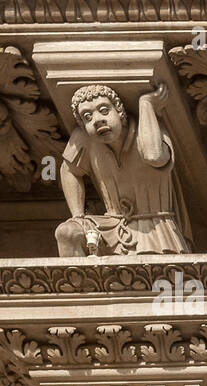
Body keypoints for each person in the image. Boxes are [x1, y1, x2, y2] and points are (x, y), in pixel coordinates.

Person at [55, 82, 189, 257]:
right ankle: (80, 283)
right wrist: (78, 216)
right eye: (87, 117)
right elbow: (68, 170)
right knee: (67, 233)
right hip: (111, 224)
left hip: (154, 226)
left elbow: (154, 156)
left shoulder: (147, 131)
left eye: (104, 110)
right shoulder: (84, 138)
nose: (97, 120)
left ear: (120, 111)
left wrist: (146, 104)